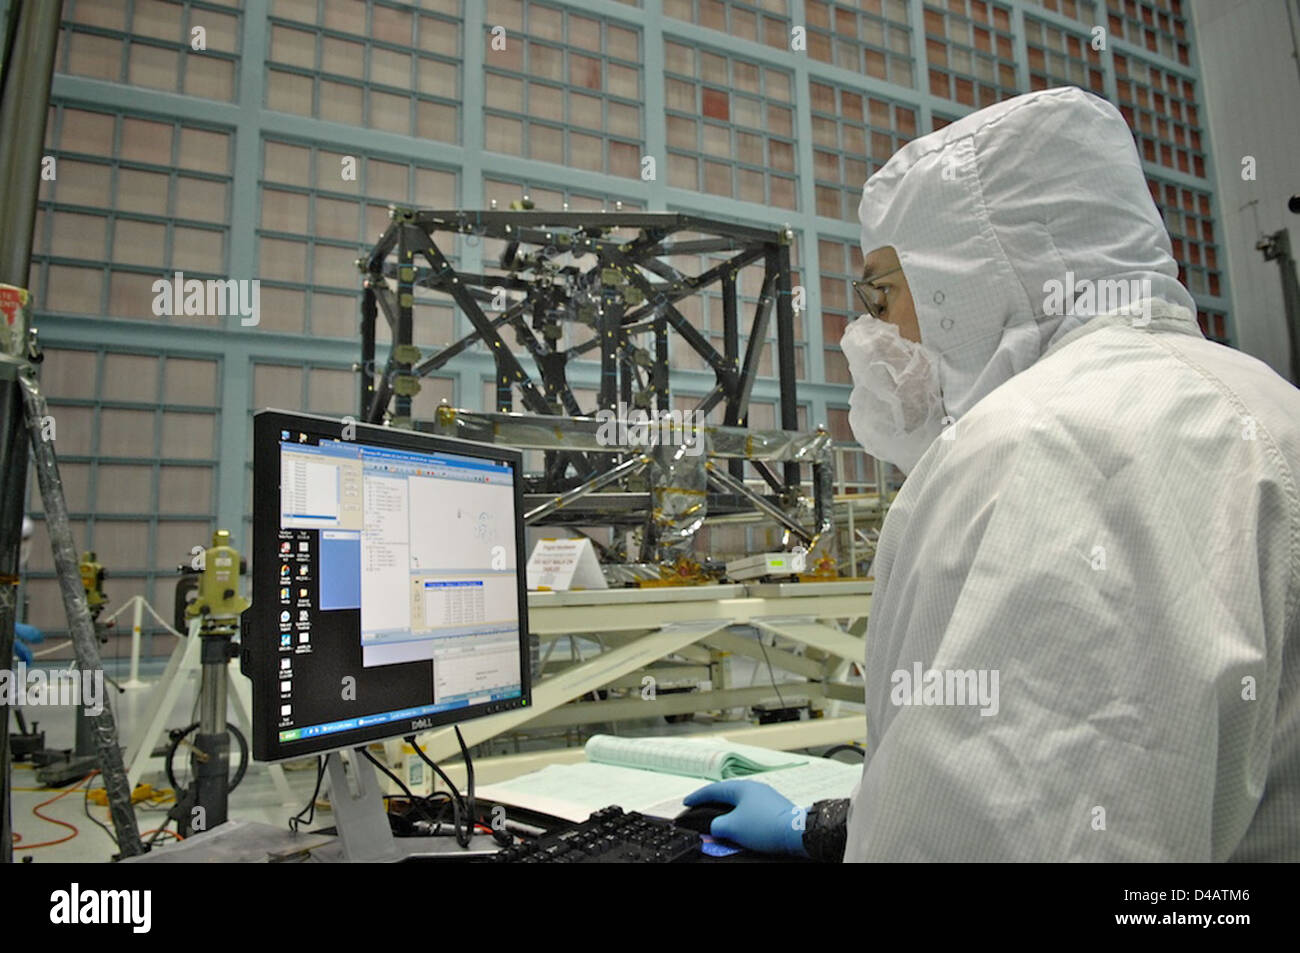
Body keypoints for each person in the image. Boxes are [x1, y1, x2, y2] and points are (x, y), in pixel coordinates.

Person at [686, 86, 1300, 861]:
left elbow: (1021, 832)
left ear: (972, 277)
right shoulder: (1269, 404)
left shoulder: (1036, 451)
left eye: (883, 290)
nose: (873, 330)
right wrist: (828, 829)